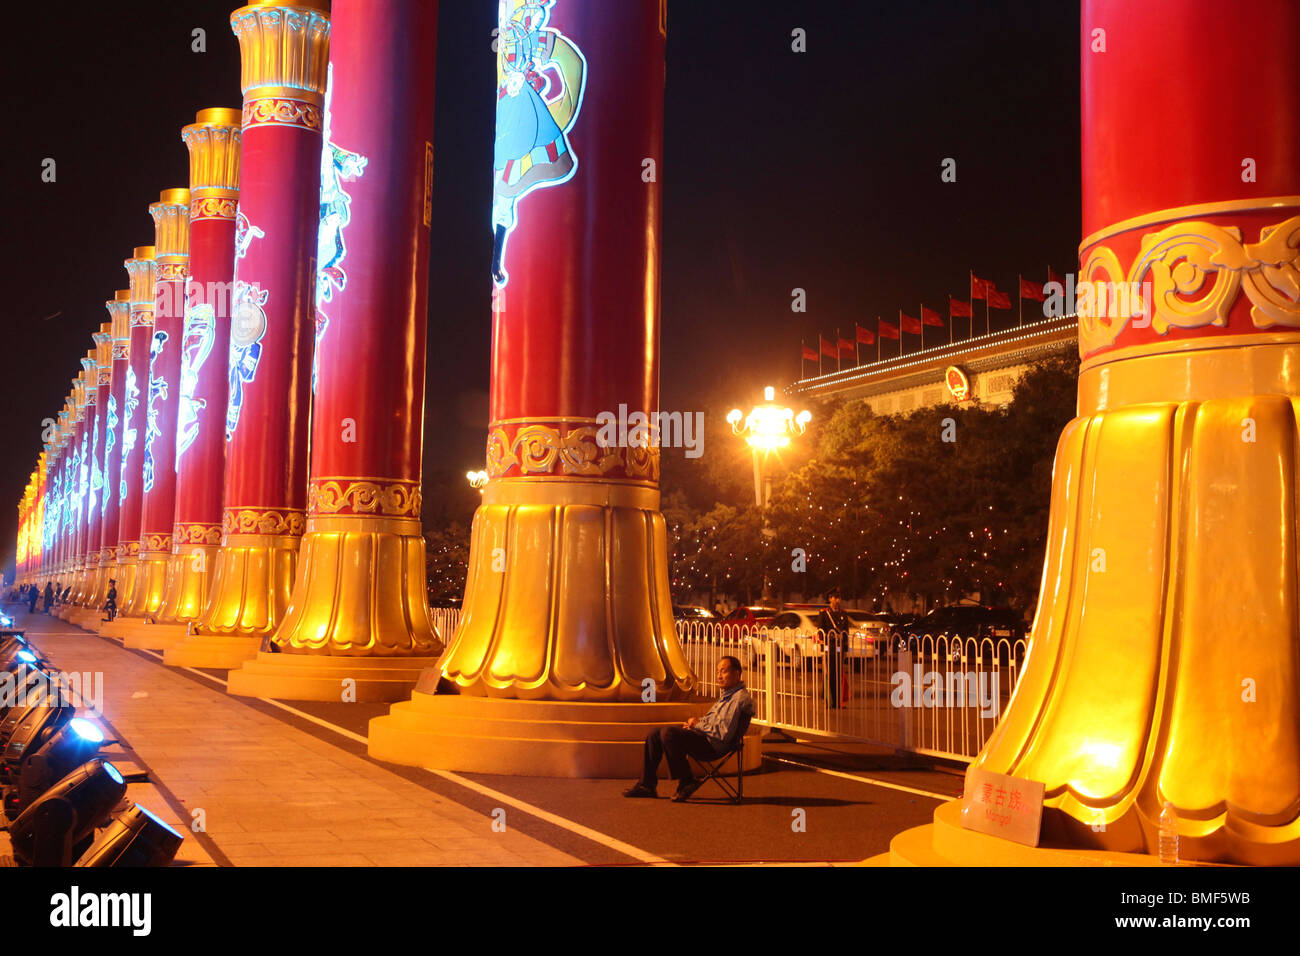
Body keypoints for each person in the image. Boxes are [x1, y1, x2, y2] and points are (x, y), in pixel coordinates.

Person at [623, 656, 755, 802]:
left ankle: (687, 780)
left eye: (723, 671)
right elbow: (712, 721)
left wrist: (697, 725)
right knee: (654, 734)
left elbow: (723, 732)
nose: (719, 676)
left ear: (736, 674)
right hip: (704, 737)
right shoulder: (727, 696)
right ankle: (646, 785)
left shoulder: (739, 699)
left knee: (669, 734)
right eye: (718, 671)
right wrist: (693, 725)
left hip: (713, 745)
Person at [816, 589, 852, 709]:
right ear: (830, 598)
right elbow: (821, 631)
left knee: (838, 674)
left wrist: (846, 649)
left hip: (840, 647)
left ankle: (838, 701)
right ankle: (829, 700)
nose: (837, 600)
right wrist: (824, 645)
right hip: (829, 648)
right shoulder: (824, 613)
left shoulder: (843, 613)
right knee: (829, 674)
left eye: (839, 598)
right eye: (835, 598)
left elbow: (846, 631)